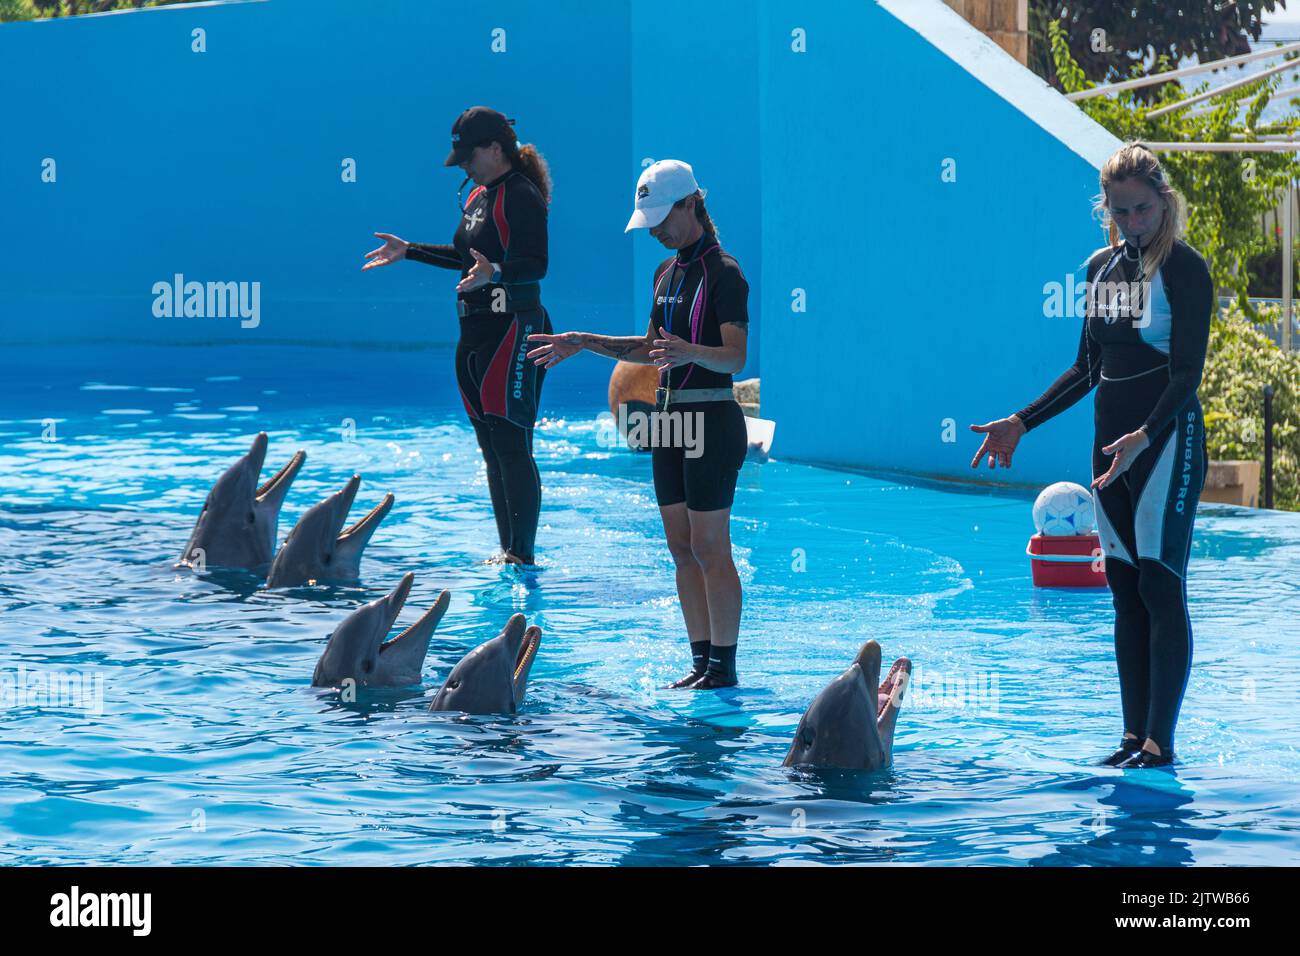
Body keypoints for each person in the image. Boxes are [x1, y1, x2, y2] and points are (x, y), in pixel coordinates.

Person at [969, 142, 1213, 768]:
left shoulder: (1183, 270)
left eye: (1140, 210)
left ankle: (1160, 741)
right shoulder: (1099, 269)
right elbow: (1087, 368)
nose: (1131, 223)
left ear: (1164, 201)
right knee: (1125, 590)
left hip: (1164, 443)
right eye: (1118, 213)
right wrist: (1022, 422)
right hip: (1109, 451)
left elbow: (1186, 375)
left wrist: (1146, 435)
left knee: (1161, 586)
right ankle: (1132, 737)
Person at [526, 160, 750, 689]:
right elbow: (651, 351)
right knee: (680, 546)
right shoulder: (665, 274)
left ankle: (724, 665)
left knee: (711, 546)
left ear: (690, 204)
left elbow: (735, 358)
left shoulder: (725, 272)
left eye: (660, 217)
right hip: (669, 421)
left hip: (712, 417)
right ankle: (700, 661)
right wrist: (581, 341)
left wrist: (687, 350)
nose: (654, 230)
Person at [363, 106, 553, 565]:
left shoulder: (521, 195)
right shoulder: (479, 197)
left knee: (511, 445)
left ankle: (522, 555)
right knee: (491, 449)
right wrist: (410, 252)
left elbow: (536, 264)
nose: (465, 165)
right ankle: (507, 550)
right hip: (474, 335)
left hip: (514, 330)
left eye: (470, 156)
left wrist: (498, 272)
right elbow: (462, 255)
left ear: (495, 148)